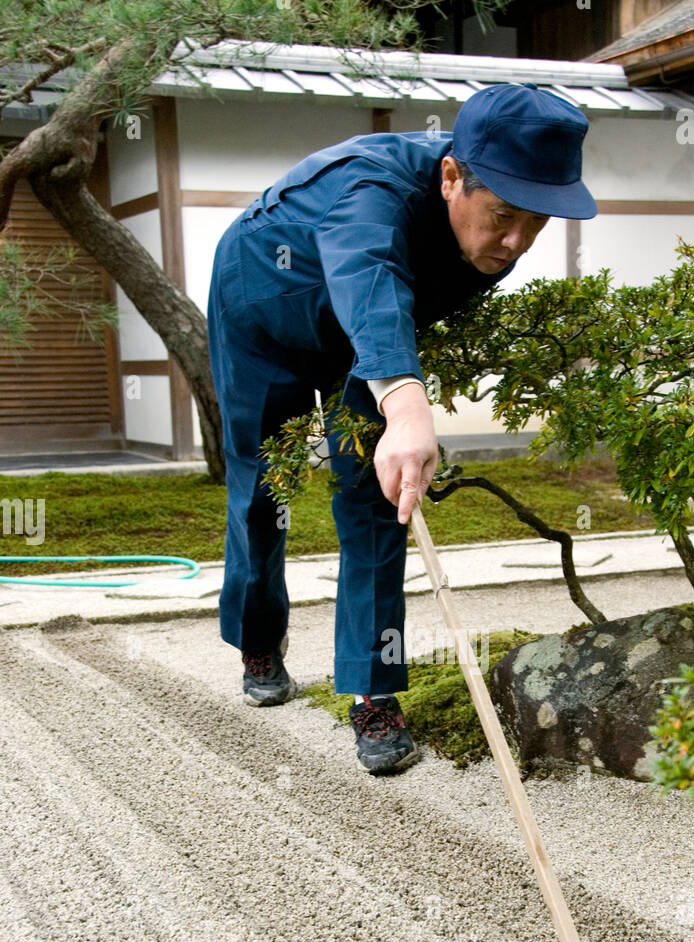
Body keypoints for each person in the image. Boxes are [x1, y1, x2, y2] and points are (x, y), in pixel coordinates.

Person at [206, 81, 597, 773]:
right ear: (451, 176)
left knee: (383, 497)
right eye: (503, 216)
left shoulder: (493, 232)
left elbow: (402, 302)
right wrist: (409, 402)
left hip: (371, 342)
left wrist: (392, 398)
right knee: (266, 489)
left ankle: (372, 687)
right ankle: (258, 638)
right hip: (264, 312)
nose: (514, 243)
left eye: (534, 224)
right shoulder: (370, 186)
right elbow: (368, 267)